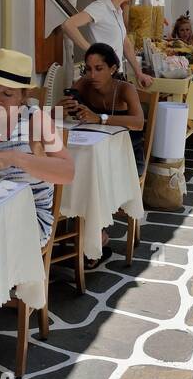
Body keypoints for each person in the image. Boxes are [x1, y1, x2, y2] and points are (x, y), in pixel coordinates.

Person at [0, 48, 75, 246]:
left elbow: (68, 172)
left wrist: (15, 158)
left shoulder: (36, 120)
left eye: (7, 94)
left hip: (29, 217)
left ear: (23, 96)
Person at [61, 43, 146, 266]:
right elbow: (65, 114)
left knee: (90, 175)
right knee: (76, 169)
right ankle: (82, 233)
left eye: (99, 68)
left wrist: (100, 118)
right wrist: (65, 107)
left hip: (125, 158)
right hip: (94, 152)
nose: (92, 74)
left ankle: (95, 237)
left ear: (113, 68)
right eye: (88, 69)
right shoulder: (83, 85)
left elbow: (138, 122)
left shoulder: (125, 89)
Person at [61, 0, 155, 89]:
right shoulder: (100, 7)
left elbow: (125, 43)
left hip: (116, 74)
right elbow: (68, 25)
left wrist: (138, 73)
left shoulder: (117, 10)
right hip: (101, 77)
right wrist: (91, 49)